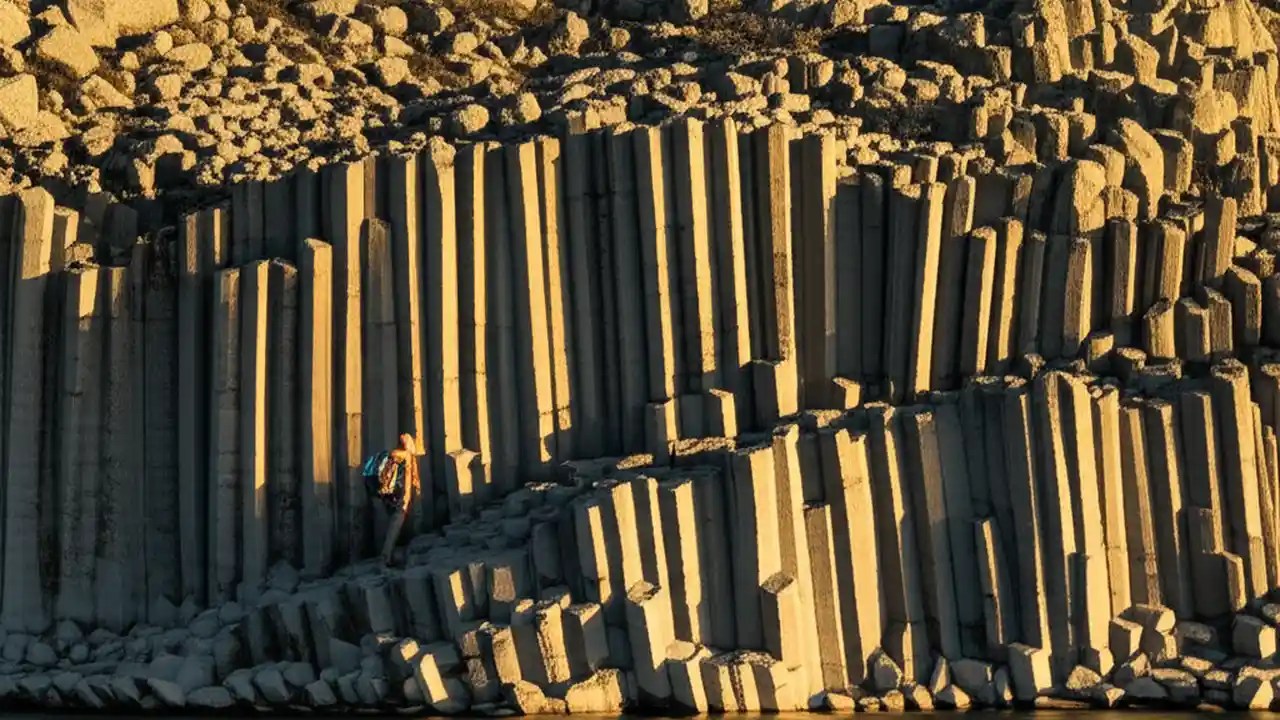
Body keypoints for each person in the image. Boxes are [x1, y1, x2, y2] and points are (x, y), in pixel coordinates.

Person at [363, 433, 421, 566]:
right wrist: (406, 501)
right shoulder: (406, 457)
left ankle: (383, 552)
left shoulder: (391, 454)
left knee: (388, 521)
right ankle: (385, 556)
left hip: (385, 494)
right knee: (396, 523)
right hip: (397, 496)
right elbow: (407, 482)